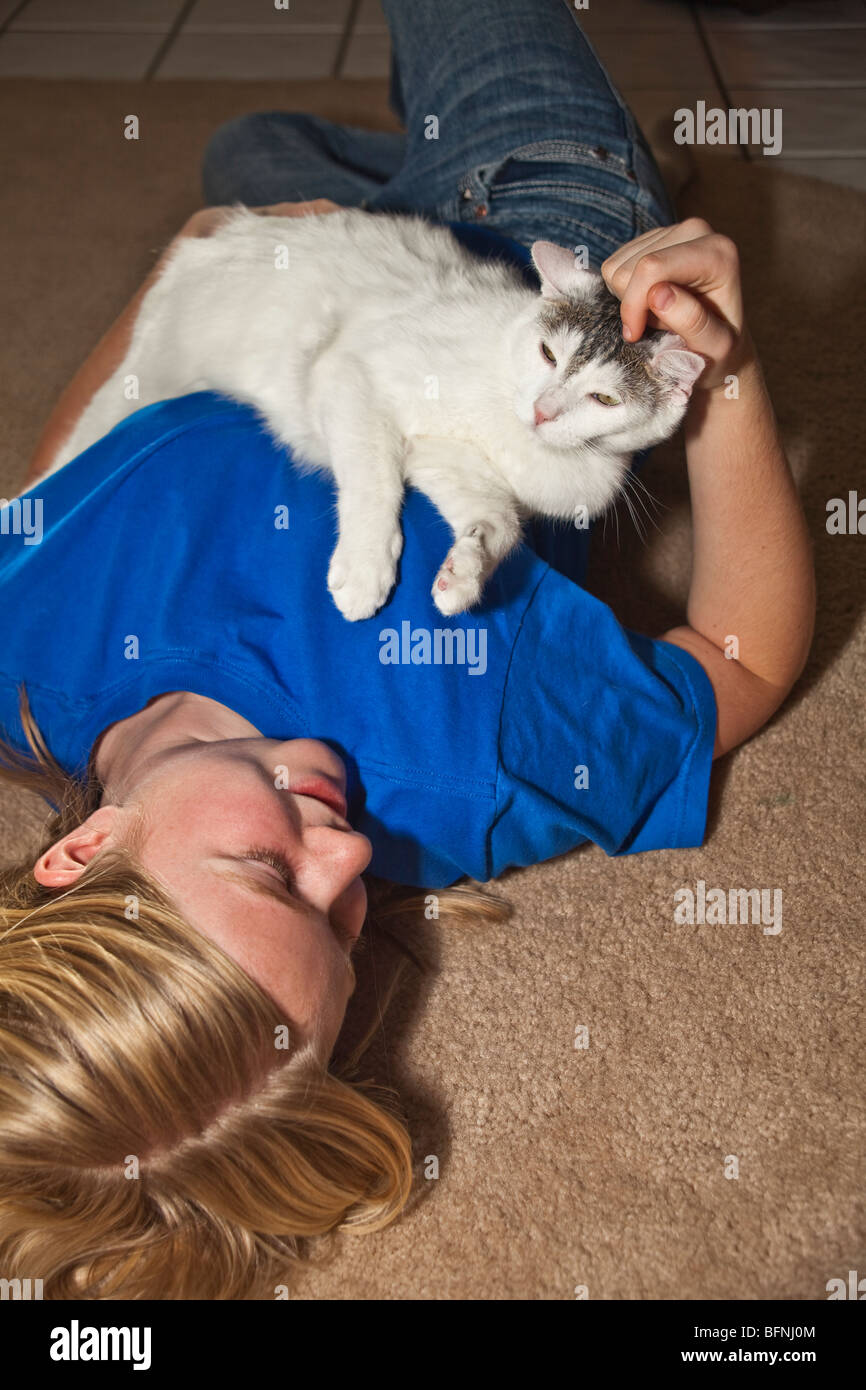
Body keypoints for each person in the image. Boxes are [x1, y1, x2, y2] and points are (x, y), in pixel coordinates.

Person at [0, 0, 813, 1300]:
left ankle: (310, 171)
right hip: (531, 239)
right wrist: (718, 370)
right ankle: (577, 163)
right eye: (349, 932)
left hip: (301, 275)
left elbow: (65, 473)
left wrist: (194, 259)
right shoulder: (463, 761)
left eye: (273, 876)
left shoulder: (15, 656)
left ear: (81, 848)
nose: (345, 856)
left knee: (249, 156)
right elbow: (743, 657)